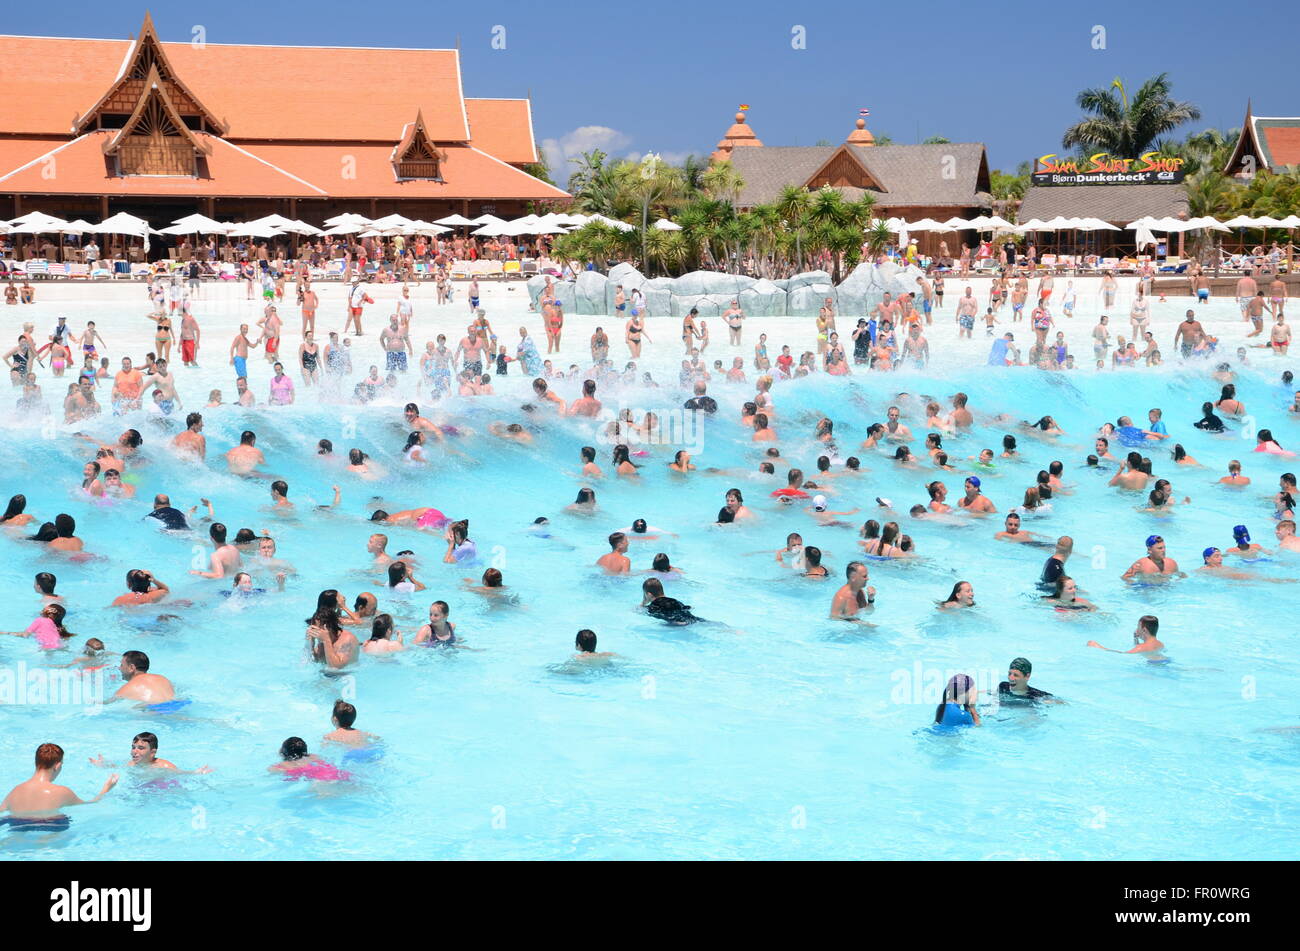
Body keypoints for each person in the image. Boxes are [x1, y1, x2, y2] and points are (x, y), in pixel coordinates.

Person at [1, 744, 118, 827]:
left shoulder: (15, 791)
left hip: (16, 825)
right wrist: (106, 789)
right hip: (50, 830)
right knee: (63, 820)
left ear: (36, 762)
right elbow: (90, 804)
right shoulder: (61, 792)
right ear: (57, 765)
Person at [1088, 615, 1165, 655]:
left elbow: (1123, 655)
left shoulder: (1140, 647)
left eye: (1138, 627)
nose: (1136, 630)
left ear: (1144, 630)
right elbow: (1144, 650)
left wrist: (1100, 647)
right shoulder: (1160, 644)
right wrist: (1136, 638)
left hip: (1153, 666)